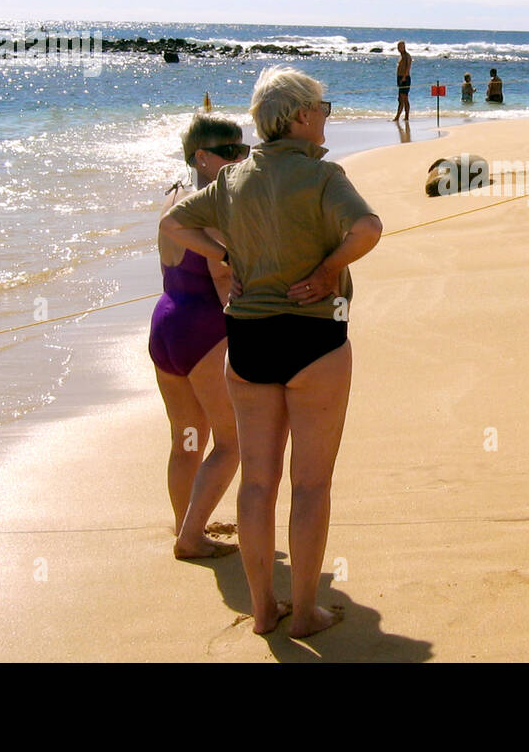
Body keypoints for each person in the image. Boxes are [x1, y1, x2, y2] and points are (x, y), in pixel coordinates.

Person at [162, 67, 384, 636]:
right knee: (311, 482)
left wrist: (229, 257)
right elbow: (368, 227)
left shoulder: (236, 180)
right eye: (325, 107)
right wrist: (327, 270)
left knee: (257, 481)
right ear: (302, 116)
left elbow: (173, 221)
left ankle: (263, 610)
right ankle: (304, 610)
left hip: (250, 340)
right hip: (315, 338)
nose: (327, 117)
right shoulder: (322, 175)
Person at [150, 114, 248, 558]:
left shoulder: (174, 195)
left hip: (167, 322)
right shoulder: (210, 205)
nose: (240, 157)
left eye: (242, 149)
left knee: (186, 438)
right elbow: (225, 282)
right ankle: (191, 537)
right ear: (201, 157)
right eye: (228, 151)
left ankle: (184, 525)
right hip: (205, 330)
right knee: (232, 443)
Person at [393, 41, 412, 122]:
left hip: (405, 79)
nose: (398, 49)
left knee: (404, 98)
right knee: (400, 98)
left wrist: (404, 77)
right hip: (400, 78)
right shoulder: (401, 56)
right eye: (398, 47)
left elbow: (408, 67)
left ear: (403, 47)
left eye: (400, 47)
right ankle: (398, 116)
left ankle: (405, 116)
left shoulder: (407, 56)